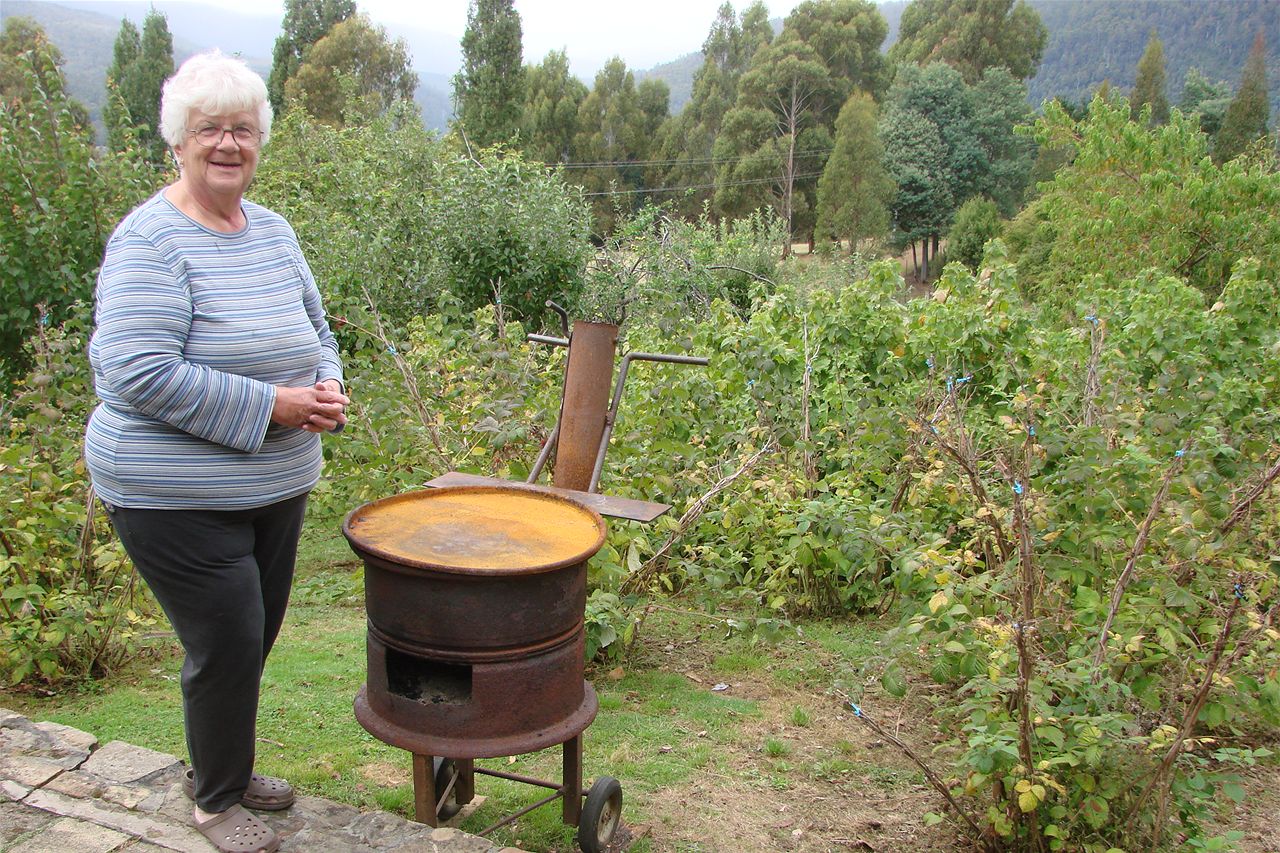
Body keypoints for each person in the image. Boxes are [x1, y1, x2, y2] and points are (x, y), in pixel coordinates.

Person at [84, 50, 348, 853]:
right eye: (210, 130)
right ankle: (216, 803)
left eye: (242, 129)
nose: (228, 144)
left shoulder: (272, 231)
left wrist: (327, 385)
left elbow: (319, 328)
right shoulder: (150, 242)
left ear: (259, 140)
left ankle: (220, 765)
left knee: (255, 632)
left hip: (276, 481)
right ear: (178, 141)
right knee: (228, 634)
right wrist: (276, 404)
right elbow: (135, 371)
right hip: (171, 493)